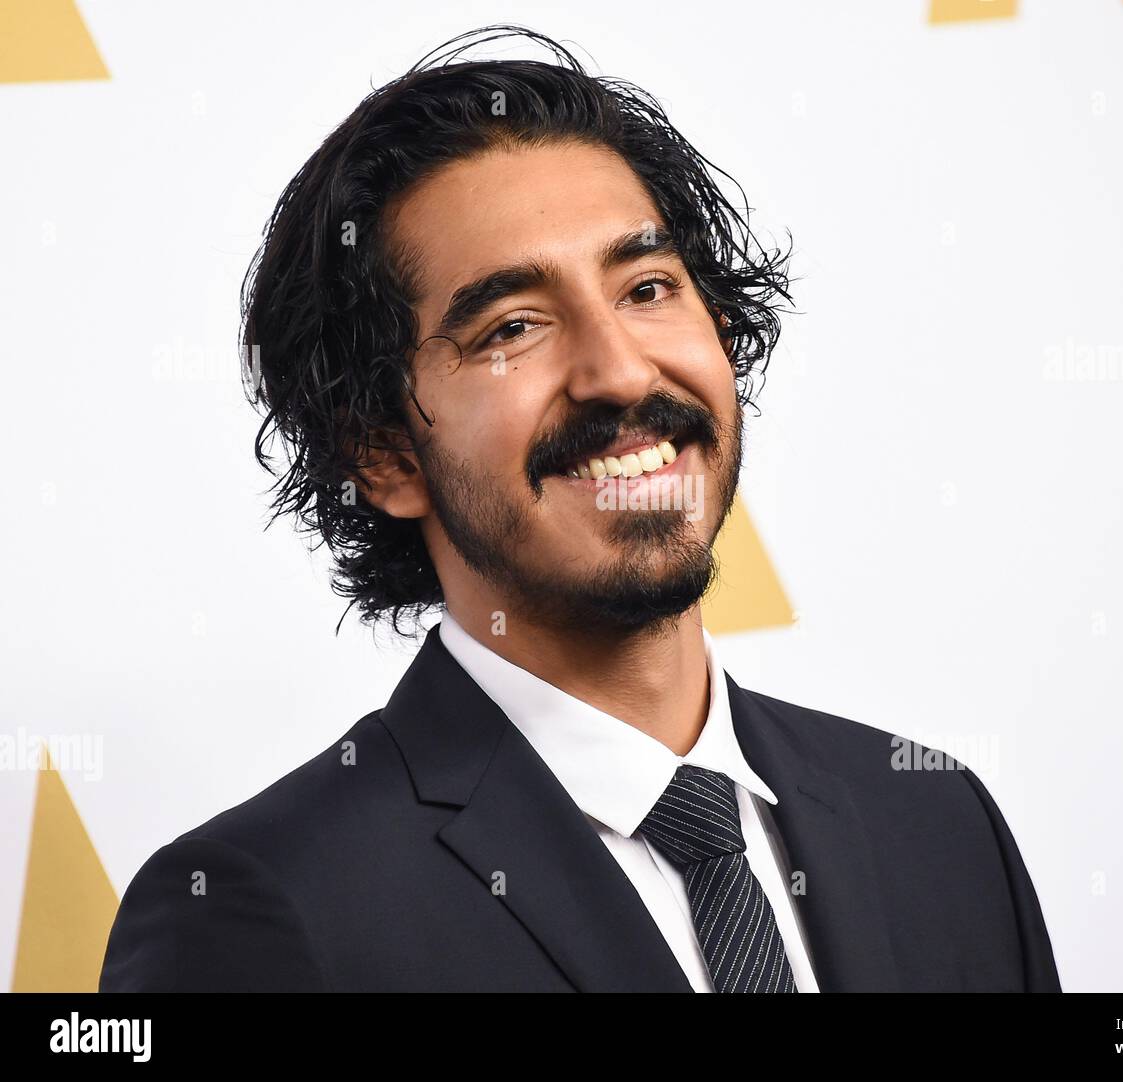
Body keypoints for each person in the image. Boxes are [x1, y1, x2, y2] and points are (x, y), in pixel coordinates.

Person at [99, 24, 1061, 993]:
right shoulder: (256, 915)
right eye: (513, 326)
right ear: (386, 453)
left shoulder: (938, 822)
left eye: (647, 288)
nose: (618, 371)